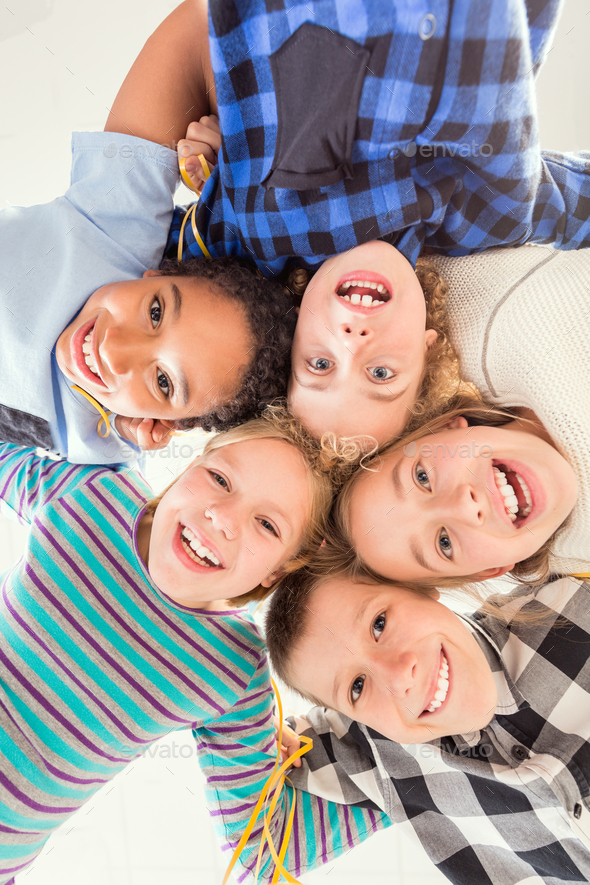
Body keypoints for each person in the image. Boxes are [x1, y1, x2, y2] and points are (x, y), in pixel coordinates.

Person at [0, 406, 360, 883]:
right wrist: (94, 412)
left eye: (267, 525)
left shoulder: (234, 668)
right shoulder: (93, 493)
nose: (222, 518)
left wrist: (407, 779)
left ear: (278, 570)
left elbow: (265, 853)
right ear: (189, 464)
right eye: (220, 479)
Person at [0, 0, 295, 466]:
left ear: (169, 425)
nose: (115, 350)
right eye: (155, 311)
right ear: (154, 274)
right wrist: (240, 147)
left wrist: (115, 428)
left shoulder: (103, 449)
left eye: (163, 382)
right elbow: (204, 22)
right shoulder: (112, 235)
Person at [170, 0, 590, 280]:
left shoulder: (243, 236)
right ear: (428, 345)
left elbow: (138, 263)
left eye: (319, 364)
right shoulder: (493, 216)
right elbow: (572, 204)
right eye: (380, 373)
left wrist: (215, 177)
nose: (354, 337)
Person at [262, 563, 590, 883]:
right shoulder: (370, 750)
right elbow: (262, 854)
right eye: (357, 686)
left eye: (379, 624)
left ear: (420, 585)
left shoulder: (570, 602)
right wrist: (250, 721)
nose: (398, 677)